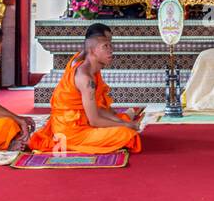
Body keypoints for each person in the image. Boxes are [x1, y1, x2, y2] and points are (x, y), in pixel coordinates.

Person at [29, 23, 142, 154]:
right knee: (127, 134)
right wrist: (126, 125)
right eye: (106, 45)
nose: (111, 50)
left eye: (111, 44)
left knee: (121, 120)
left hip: (83, 119)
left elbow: (98, 109)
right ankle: (70, 143)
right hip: (71, 131)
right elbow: (95, 120)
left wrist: (121, 121)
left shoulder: (87, 63)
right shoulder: (85, 78)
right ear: (92, 50)